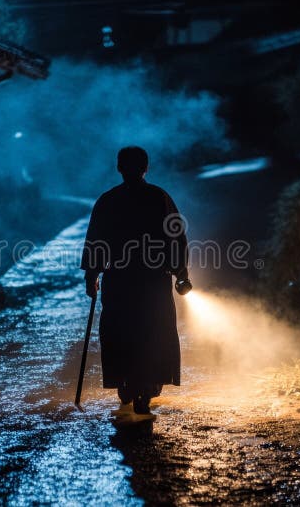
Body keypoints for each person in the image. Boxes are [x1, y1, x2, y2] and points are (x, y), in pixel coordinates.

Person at [81, 146, 191, 415]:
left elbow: (96, 241)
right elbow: (175, 237)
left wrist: (92, 275)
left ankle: (126, 383)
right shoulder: (159, 197)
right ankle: (149, 384)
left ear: (119, 167)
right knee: (154, 331)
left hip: (119, 282)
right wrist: (181, 273)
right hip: (153, 281)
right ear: (146, 168)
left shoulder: (108, 201)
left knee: (120, 332)